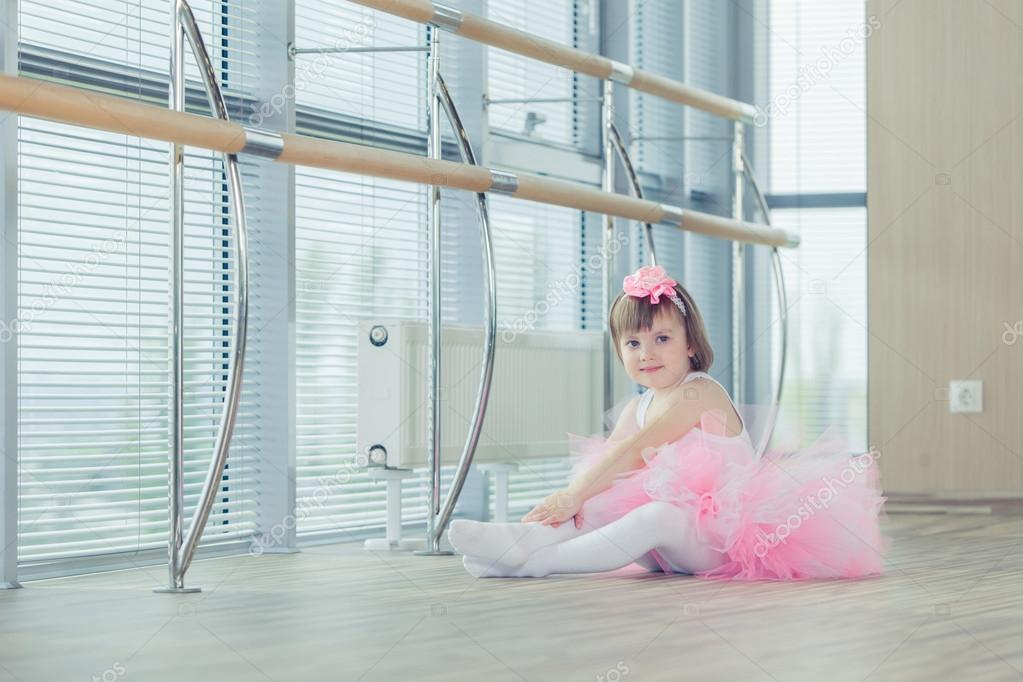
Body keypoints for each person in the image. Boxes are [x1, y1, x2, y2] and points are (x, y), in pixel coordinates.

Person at [448, 265, 890, 580]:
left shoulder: (699, 392)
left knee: (657, 512)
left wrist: (572, 494)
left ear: (691, 345)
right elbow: (608, 462)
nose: (647, 354)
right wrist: (575, 498)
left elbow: (638, 448)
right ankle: (518, 543)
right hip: (661, 552)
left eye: (662, 339)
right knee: (597, 503)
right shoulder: (635, 407)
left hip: (718, 542)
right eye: (634, 343)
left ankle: (537, 563)